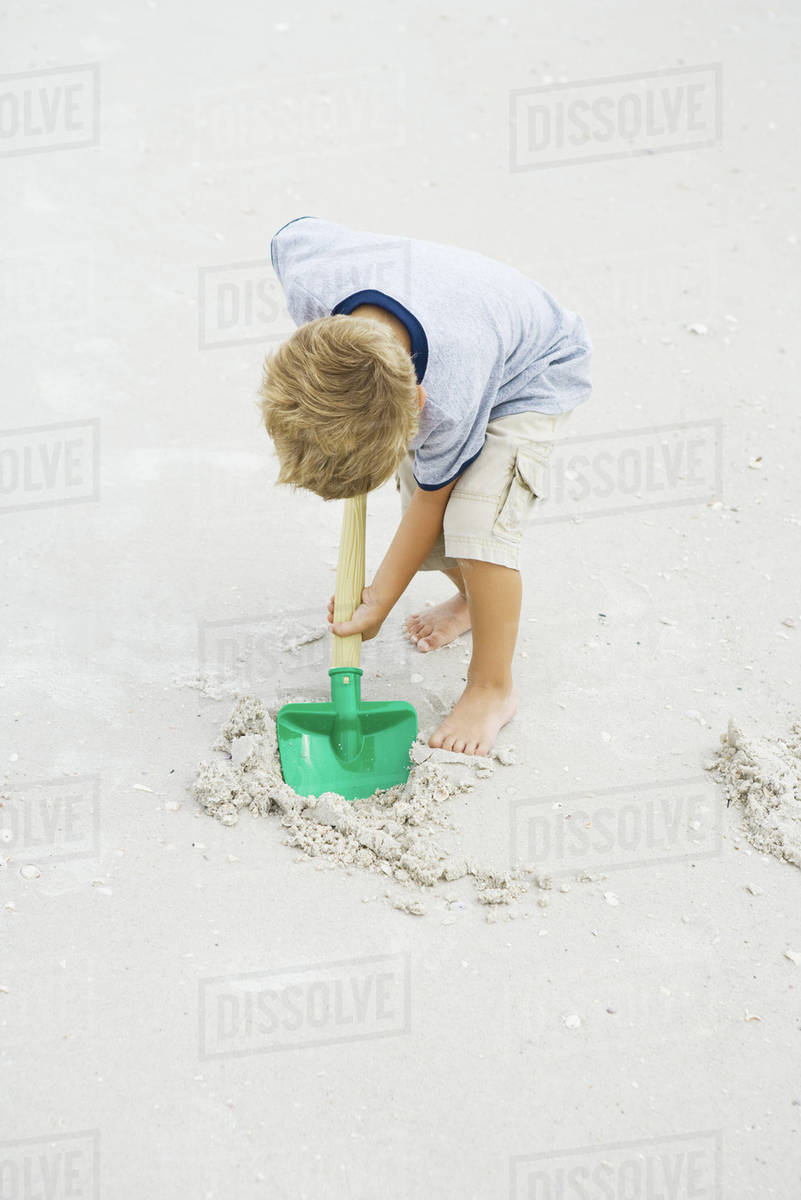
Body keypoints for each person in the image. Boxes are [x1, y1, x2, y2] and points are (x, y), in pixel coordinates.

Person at [259, 216, 592, 756]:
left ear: (417, 405)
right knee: (434, 541)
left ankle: (492, 688)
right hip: (458, 320)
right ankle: (469, 603)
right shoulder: (309, 278)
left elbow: (436, 500)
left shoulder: (449, 398)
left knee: (472, 523)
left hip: (534, 370)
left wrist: (379, 600)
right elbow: (291, 232)